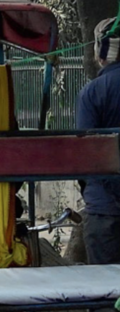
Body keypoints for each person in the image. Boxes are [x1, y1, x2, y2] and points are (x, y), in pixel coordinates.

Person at [77, 18, 120, 265]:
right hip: (104, 206)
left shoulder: (92, 92)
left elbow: (85, 154)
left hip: (104, 211)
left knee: (104, 293)